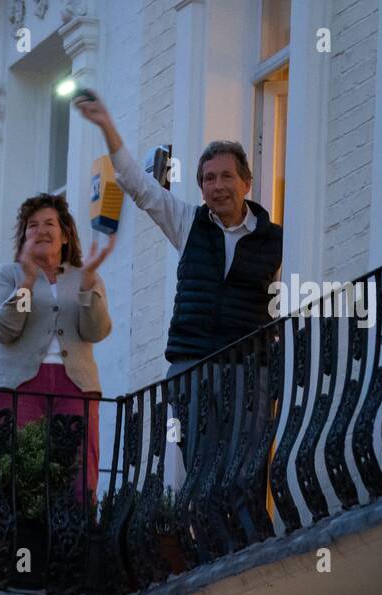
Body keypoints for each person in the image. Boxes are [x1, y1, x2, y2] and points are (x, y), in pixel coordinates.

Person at [78, 94, 282, 542]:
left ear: (246, 182)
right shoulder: (188, 223)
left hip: (251, 368)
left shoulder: (277, 240)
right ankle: (210, 543)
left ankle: (246, 542)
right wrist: (108, 126)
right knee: (201, 460)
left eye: (226, 176)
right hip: (192, 366)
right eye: (208, 178)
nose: (216, 186)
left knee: (246, 460)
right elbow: (136, 184)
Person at [0, 192, 115, 500]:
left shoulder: (86, 277)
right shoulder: (8, 275)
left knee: (79, 475)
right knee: (16, 471)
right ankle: (16, 541)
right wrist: (27, 283)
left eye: (49, 223)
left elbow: (96, 330)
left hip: (76, 386)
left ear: (66, 235)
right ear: (23, 236)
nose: (41, 230)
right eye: (32, 225)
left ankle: (77, 538)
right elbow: (3, 329)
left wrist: (86, 291)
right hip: (19, 385)